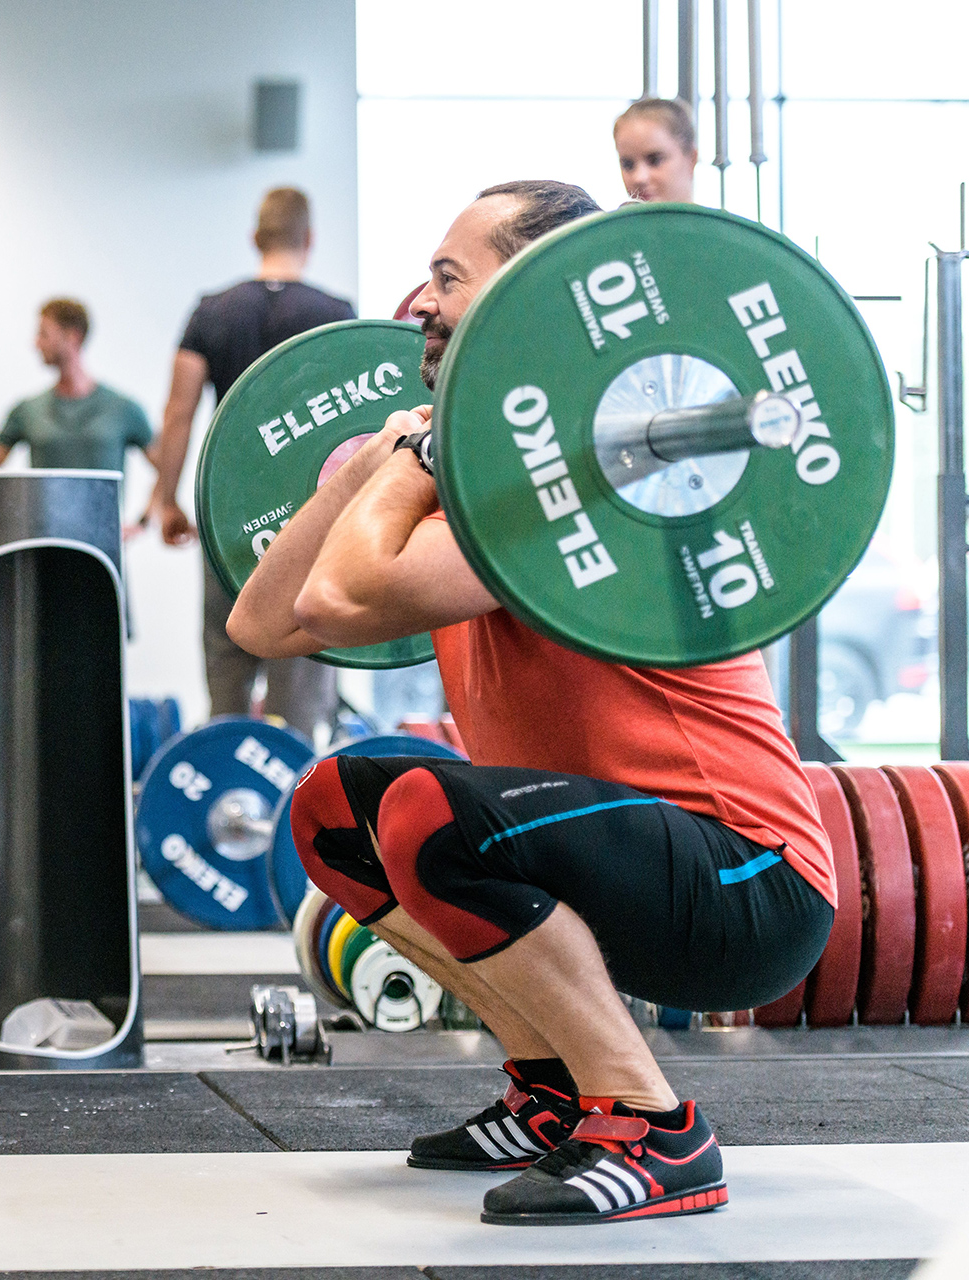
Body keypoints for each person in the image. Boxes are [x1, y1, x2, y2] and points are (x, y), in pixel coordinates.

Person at [227, 181, 833, 1225]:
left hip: (747, 880)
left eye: (451, 279)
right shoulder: (474, 472)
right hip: (620, 853)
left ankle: (654, 1125)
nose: (420, 300)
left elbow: (339, 593)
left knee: (426, 808)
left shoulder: (577, 481)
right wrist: (363, 471)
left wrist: (409, 459)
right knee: (334, 806)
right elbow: (264, 625)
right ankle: (555, 1089)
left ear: (528, 302)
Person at [145, 187, 354, 743]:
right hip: (311, 514)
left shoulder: (211, 311)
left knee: (227, 669)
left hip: (226, 512)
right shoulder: (334, 315)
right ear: (309, 240)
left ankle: (229, 793)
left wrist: (165, 500)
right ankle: (293, 807)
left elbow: (177, 413)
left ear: (254, 239)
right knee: (303, 670)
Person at [0, 297, 155, 482]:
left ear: (73, 336)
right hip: (43, 512)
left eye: (44, 334)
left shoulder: (123, 409)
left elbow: (168, 468)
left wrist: (155, 505)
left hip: (104, 512)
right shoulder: (27, 410)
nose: (36, 343)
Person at [613, 97, 699, 204]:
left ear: (691, 159)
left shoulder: (721, 220)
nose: (639, 178)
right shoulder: (606, 220)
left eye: (655, 160)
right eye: (628, 165)